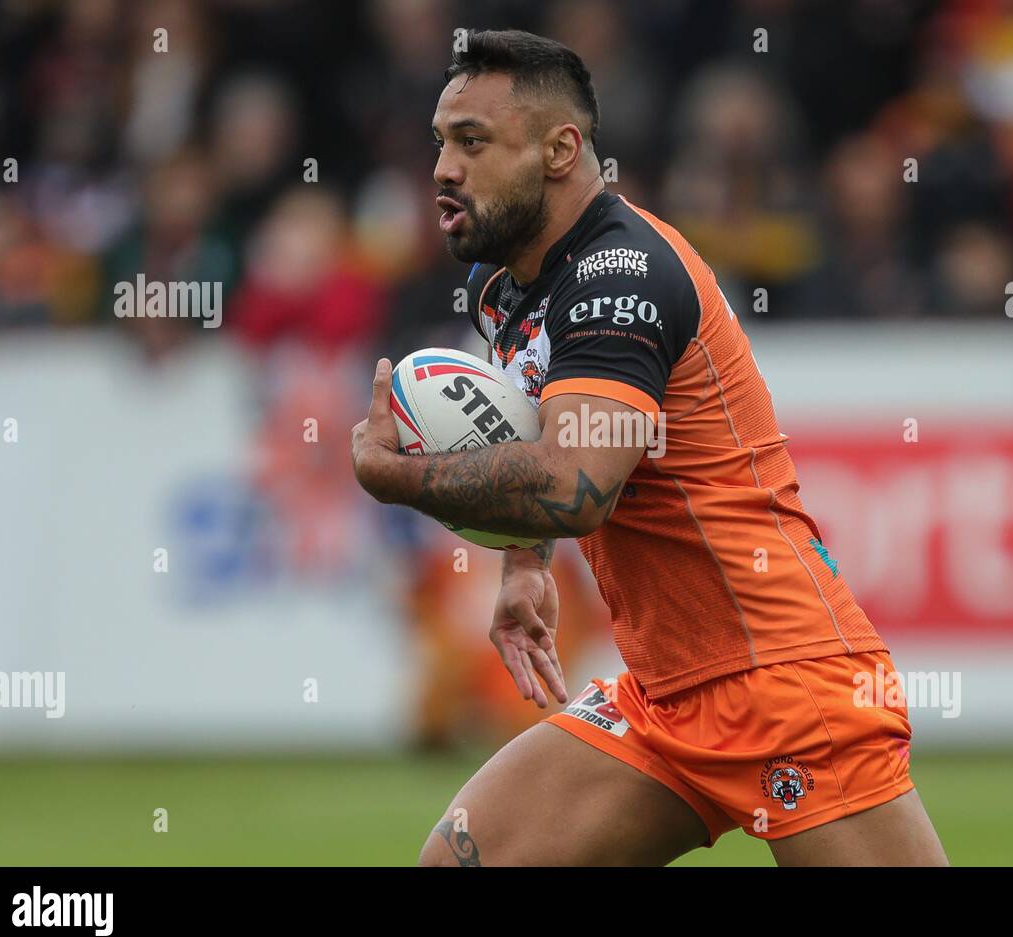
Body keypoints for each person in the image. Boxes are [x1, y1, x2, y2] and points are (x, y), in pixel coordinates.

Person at [350, 29, 948, 867]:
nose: (444, 168)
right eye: (441, 142)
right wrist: (524, 565)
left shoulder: (621, 277)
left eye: (473, 142)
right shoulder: (501, 286)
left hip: (786, 679)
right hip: (663, 692)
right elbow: (528, 428)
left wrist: (400, 477)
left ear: (561, 150)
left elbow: (575, 485)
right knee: (460, 862)